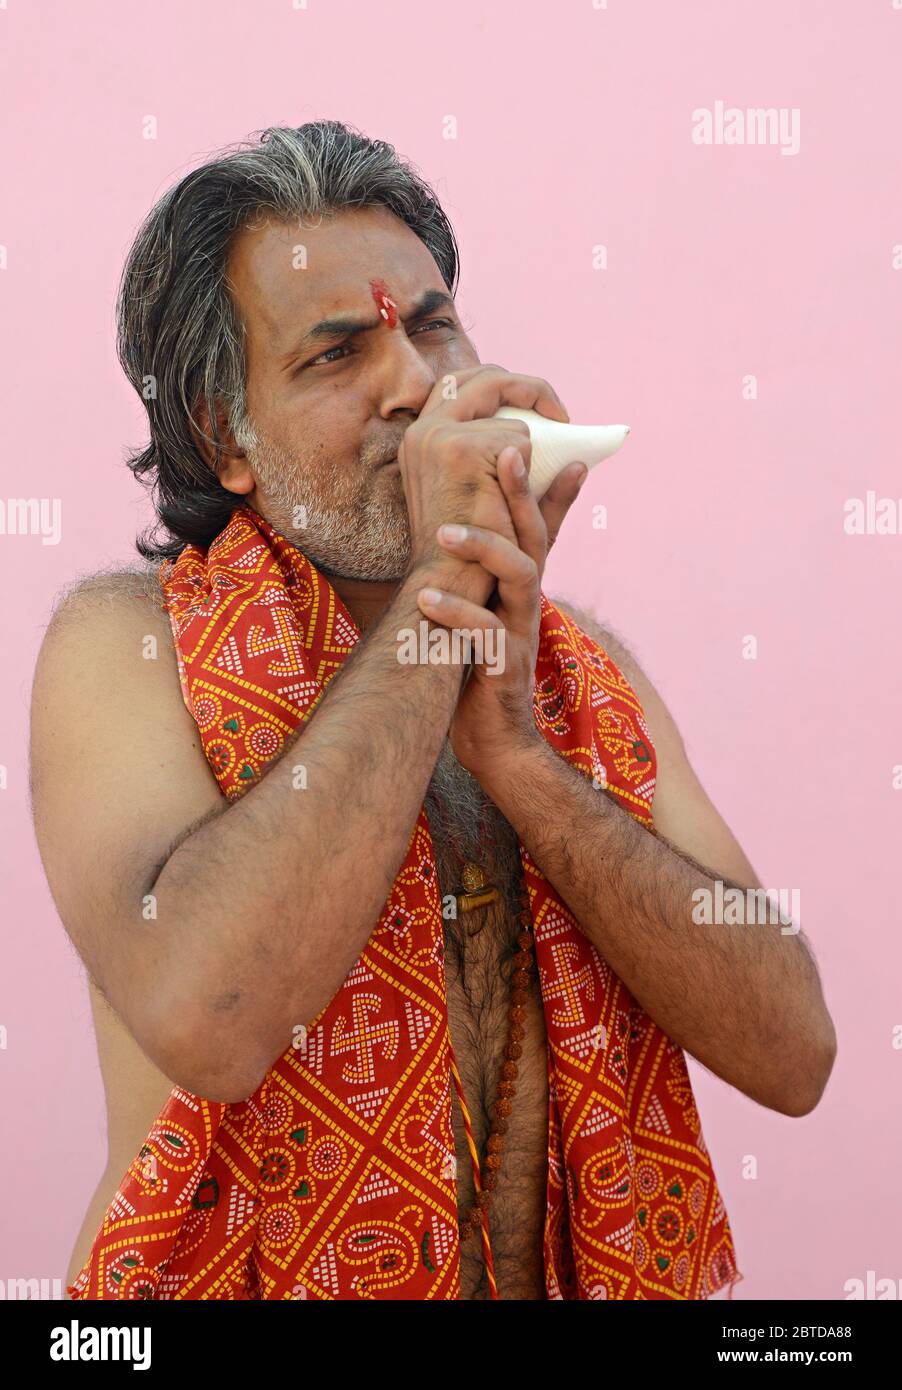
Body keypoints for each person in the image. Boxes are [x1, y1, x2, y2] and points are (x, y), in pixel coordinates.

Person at [30, 122, 835, 1301]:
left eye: (431, 326)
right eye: (337, 352)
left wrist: (519, 758)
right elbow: (208, 1015)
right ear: (222, 434)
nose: (416, 384)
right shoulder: (124, 644)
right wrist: (438, 606)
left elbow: (791, 1051)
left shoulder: (577, 670)